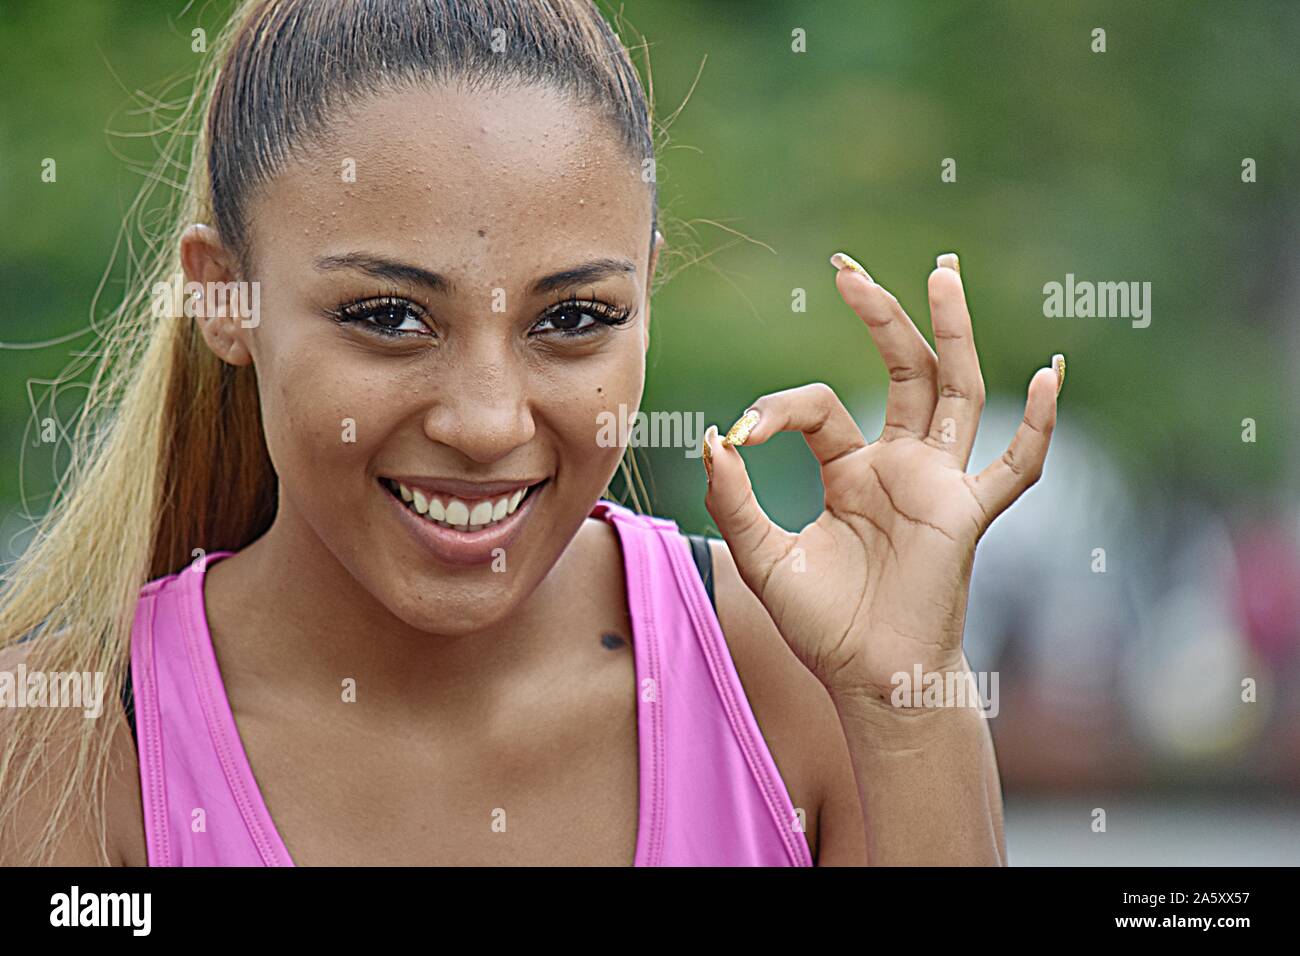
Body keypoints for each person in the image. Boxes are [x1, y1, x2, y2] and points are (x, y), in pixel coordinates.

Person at [0, 0, 1062, 866]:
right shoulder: (62, 737)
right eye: (388, 317)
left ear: (647, 288)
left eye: (572, 320)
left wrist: (907, 704)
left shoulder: (791, 674)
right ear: (225, 299)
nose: (486, 420)